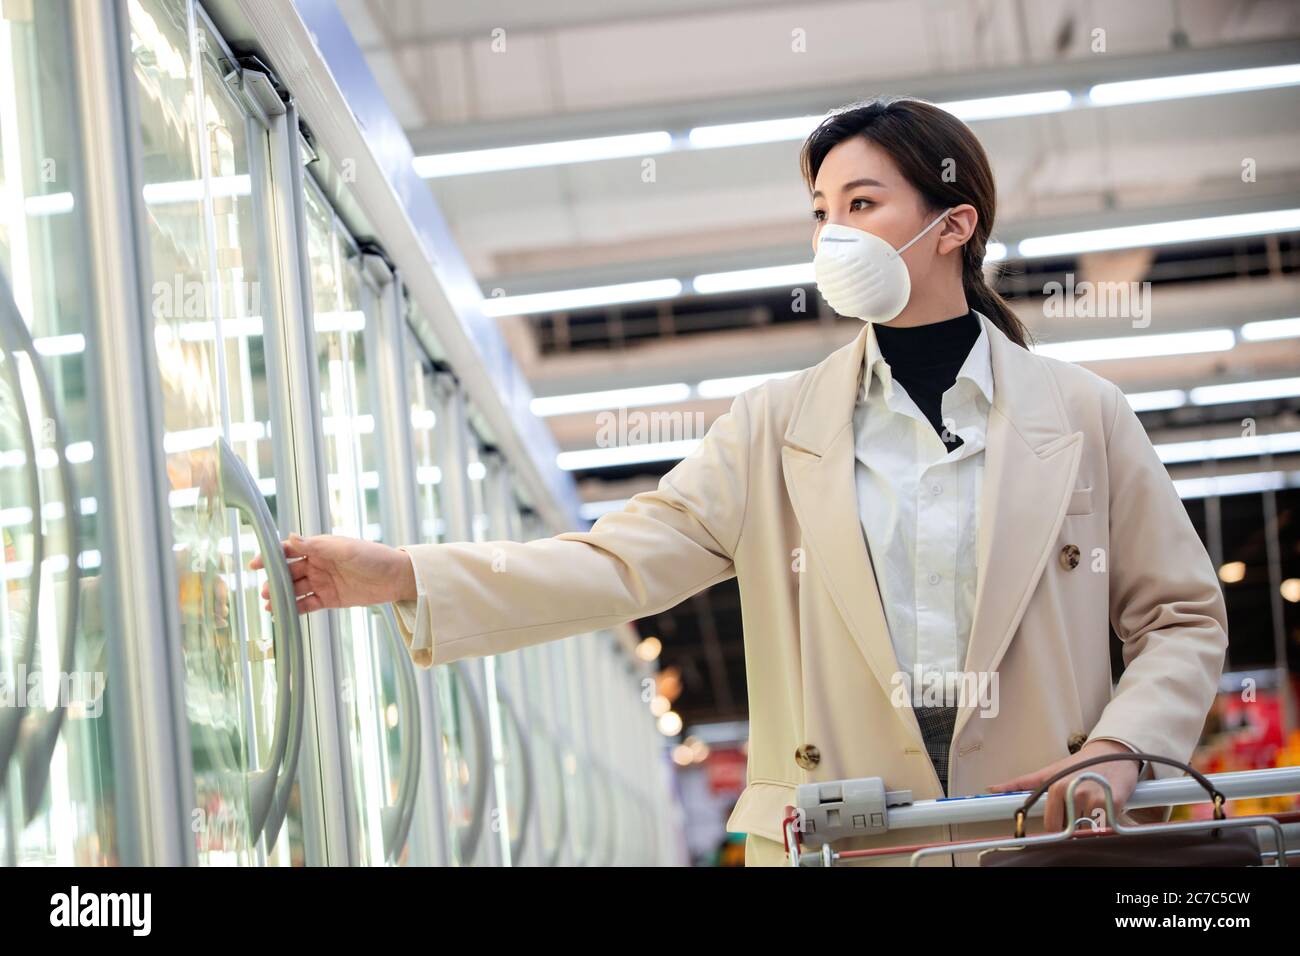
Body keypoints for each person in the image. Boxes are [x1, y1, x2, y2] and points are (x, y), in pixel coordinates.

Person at [251, 96, 1228, 866]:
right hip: (845, 839)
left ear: (952, 225)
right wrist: (405, 573)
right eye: (818, 212)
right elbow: (620, 560)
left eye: (860, 204)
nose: (830, 234)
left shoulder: (1084, 413)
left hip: (1048, 831)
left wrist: (1120, 747)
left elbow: (1181, 615)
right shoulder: (775, 426)